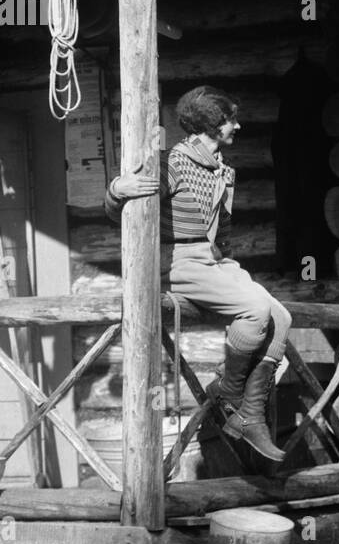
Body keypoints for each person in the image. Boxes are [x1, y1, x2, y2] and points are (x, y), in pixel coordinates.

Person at [104, 85, 290, 461]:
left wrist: (231, 268)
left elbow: (223, 232)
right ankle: (231, 396)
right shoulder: (171, 162)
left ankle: (249, 415)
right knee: (255, 308)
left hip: (217, 262)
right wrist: (116, 190)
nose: (237, 126)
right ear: (211, 124)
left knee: (282, 317)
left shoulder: (224, 169)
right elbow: (119, 213)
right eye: (230, 120)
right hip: (184, 262)